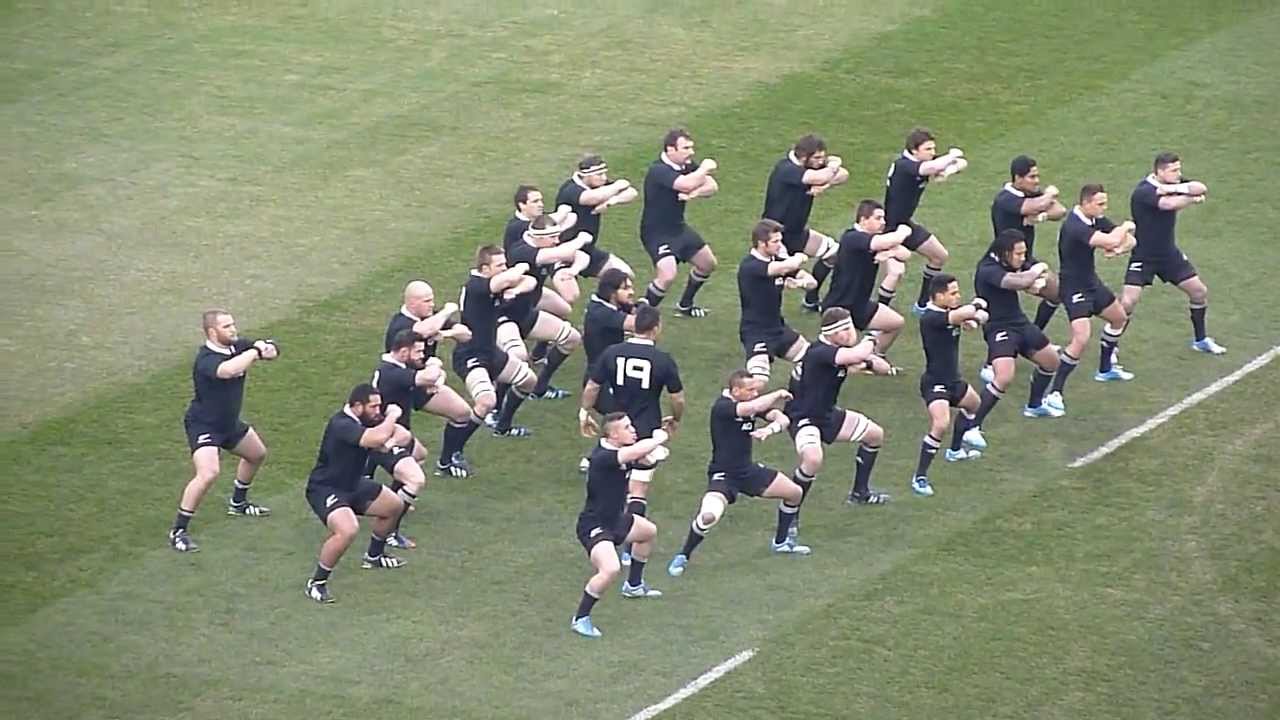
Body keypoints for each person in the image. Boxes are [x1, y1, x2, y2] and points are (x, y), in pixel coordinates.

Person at [666, 370, 806, 578]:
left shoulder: (747, 402)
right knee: (708, 516)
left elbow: (781, 417)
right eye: (750, 390)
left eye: (756, 390)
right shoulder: (723, 407)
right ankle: (683, 555)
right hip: (723, 474)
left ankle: (781, 542)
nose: (754, 393)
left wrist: (770, 429)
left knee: (794, 492)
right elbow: (753, 407)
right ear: (735, 390)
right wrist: (776, 394)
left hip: (747, 471)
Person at [580, 305, 684, 564]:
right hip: (645, 431)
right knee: (638, 489)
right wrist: (675, 419)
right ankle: (628, 548)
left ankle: (610, 540)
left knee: (613, 484)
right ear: (656, 327)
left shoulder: (612, 352)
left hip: (616, 428)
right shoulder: (662, 359)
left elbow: (593, 385)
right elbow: (677, 398)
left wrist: (584, 412)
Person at [303, 383, 426, 603]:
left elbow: (404, 436)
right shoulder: (341, 423)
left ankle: (374, 556)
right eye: (373, 407)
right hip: (326, 488)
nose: (378, 411)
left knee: (394, 506)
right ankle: (317, 583)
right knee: (347, 530)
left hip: (353, 483)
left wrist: (388, 438)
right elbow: (375, 439)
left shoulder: (368, 420)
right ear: (357, 406)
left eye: (380, 406)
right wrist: (392, 417)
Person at [169, 310, 278, 553]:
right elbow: (227, 370)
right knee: (208, 473)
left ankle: (238, 502)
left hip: (228, 423)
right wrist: (255, 351)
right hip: (204, 425)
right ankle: (179, 530)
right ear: (212, 332)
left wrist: (266, 348)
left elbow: (273, 350)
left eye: (233, 324)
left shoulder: (237, 345)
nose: (233, 329)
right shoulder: (206, 359)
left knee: (257, 454)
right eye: (226, 326)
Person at [569, 413, 670, 638]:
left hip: (615, 520)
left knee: (648, 532)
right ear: (614, 435)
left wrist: (653, 455)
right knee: (611, 568)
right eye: (627, 427)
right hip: (595, 525)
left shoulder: (619, 452)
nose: (633, 429)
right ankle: (581, 618)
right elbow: (634, 454)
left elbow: (643, 460)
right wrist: (658, 438)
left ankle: (634, 585)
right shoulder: (603, 456)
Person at [785, 307, 895, 512]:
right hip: (803, 418)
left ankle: (860, 494)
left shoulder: (839, 353)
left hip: (826, 414)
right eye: (845, 329)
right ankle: (792, 514)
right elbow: (857, 353)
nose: (851, 333)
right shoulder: (821, 352)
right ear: (831, 333)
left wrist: (869, 361)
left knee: (874, 435)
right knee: (813, 460)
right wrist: (872, 338)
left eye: (851, 327)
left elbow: (884, 369)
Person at [1046, 184, 1138, 415]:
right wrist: (1124, 228)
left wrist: (1119, 248)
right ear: (1085, 203)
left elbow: (1129, 240)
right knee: (1081, 338)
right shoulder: (1074, 225)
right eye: (1100, 204)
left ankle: (1106, 368)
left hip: (1091, 283)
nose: (1104, 208)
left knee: (1119, 318)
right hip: (1073, 287)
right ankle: (1054, 392)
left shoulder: (1094, 218)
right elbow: (1112, 238)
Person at [1121, 152, 1224, 355]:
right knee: (1127, 302)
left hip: (1169, 254)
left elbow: (1201, 187)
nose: (1179, 173)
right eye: (1174, 170)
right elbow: (1168, 204)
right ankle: (1112, 347)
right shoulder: (1143, 191)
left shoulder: (1173, 183)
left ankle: (1200, 340)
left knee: (1199, 292)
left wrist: (1174, 188)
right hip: (1144, 256)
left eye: (1179, 169)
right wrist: (1191, 199)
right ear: (1159, 171)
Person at [383, 281, 481, 479]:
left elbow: (466, 334)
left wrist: (445, 333)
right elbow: (421, 332)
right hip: (399, 387)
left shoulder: (431, 318)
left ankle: (446, 462)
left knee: (462, 413)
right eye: (426, 300)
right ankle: (366, 476)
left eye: (432, 300)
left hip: (423, 384)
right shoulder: (400, 324)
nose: (431, 304)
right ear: (411, 302)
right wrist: (446, 311)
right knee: (390, 441)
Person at [971, 229, 1066, 427]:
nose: (1023, 258)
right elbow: (1017, 282)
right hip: (999, 328)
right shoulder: (988, 269)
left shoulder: (1011, 263)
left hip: (1018, 322)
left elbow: (1052, 290)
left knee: (1051, 361)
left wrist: (1042, 282)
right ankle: (973, 425)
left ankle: (1034, 406)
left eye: (1025, 254)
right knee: (1004, 377)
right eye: (1019, 254)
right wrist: (1036, 271)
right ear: (1005, 252)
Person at [911, 274, 989, 497]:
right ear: (938, 296)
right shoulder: (931, 317)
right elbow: (970, 312)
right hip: (935, 382)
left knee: (974, 405)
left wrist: (976, 318)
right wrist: (976, 306)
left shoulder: (948, 315)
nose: (958, 296)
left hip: (953, 380)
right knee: (941, 424)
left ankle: (955, 451)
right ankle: (920, 477)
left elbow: (978, 317)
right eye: (953, 293)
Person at [453, 245, 539, 437]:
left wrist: (514, 292)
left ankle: (503, 426)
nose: (504, 268)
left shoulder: (492, 282)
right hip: (470, 354)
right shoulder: (476, 286)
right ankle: (451, 454)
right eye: (499, 265)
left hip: (490, 351)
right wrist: (521, 266)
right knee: (486, 401)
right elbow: (511, 277)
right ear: (485, 269)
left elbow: (531, 281)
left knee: (529, 380)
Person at [498, 216, 587, 401]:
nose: (557, 241)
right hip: (503, 317)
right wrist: (581, 239)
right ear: (538, 237)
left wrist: (573, 270)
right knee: (515, 360)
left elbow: (581, 256)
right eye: (553, 237)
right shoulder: (522, 251)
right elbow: (559, 254)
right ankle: (496, 411)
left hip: (526, 312)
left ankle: (540, 385)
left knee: (572, 338)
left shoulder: (544, 247)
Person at [882, 127, 969, 316]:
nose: (932, 153)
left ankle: (922, 304)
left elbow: (961, 164)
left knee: (939, 256)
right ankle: (879, 313)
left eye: (933, 149)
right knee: (894, 273)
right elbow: (931, 168)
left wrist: (950, 169)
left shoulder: (920, 162)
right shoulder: (905, 165)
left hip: (905, 224)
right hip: (888, 229)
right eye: (928, 149)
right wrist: (952, 155)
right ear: (914, 150)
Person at [760, 133, 849, 309]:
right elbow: (820, 176)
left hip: (796, 232)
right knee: (777, 281)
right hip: (776, 236)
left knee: (834, 253)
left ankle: (811, 300)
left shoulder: (810, 165)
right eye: (816, 158)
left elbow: (844, 175)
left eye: (822, 158)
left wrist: (827, 183)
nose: (819, 161)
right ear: (803, 157)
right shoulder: (786, 169)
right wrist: (832, 167)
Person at [639, 128, 720, 317]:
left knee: (707, 263)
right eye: (686, 148)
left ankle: (685, 305)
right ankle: (638, 319)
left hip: (678, 228)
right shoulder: (658, 170)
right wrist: (705, 168)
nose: (691, 152)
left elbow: (712, 186)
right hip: (656, 232)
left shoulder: (687, 165)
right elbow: (685, 184)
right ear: (670, 149)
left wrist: (695, 192)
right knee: (667, 275)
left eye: (691, 147)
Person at [821, 200, 908, 359]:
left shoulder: (872, 239)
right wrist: (903, 231)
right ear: (863, 219)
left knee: (896, 323)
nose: (883, 222)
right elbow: (886, 242)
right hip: (838, 307)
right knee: (843, 354)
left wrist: (892, 252)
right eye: (878, 218)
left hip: (860, 305)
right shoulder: (852, 238)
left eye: (883, 218)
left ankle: (875, 357)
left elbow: (905, 254)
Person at [738, 219, 815, 383]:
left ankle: (797, 395)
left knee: (813, 362)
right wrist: (800, 257)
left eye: (780, 241)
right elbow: (781, 269)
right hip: (756, 332)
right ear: (761, 243)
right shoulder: (751, 266)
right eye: (775, 241)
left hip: (778, 329)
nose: (780, 245)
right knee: (757, 383)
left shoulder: (777, 261)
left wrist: (799, 283)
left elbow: (812, 282)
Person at [578, 269, 638, 471]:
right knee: (620, 420)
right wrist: (645, 309)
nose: (631, 292)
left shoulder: (605, 305)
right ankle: (596, 459)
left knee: (622, 418)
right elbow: (636, 325)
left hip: (608, 374)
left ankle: (619, 455)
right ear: (613, 292)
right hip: (601, 379)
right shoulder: (602, 313)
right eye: (626, 288)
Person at [556, 154, 637, 279]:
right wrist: (618, 185)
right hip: (564, 251)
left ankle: (602, 298)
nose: (604, 178)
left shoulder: (599, 185)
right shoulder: (570, 189)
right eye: (599, 175)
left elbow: (632, 192)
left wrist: (611, 201)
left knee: (624, 275)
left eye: (605, 174)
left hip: (587, 249)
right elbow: (592, 198)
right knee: (570, 294)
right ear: (586, 175)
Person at [504, 185, 580, 315]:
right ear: (522, 205)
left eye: (541, 200)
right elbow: (560, 219)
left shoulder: (539, 222)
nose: (541, 205)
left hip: (539, 279)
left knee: (565, 309)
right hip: (522, 288)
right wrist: (563, 211)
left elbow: (571, 218)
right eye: (535, 201)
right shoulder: (518, 227)